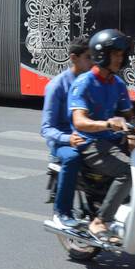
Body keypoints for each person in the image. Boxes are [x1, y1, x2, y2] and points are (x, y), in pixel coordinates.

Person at [68, 29, 135, 243]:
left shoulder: (118, 84)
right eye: (115, 54)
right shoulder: (84, 83)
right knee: (128, 171)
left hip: (113, 141)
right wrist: (107, 123)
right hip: (91, 143)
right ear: (101, 54)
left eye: (121, 54)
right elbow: (79, 121)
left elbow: (130, 117)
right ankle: (101, 221)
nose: (120, 58)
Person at [41, 36, 92, 232]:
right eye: (89, 58)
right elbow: (46, 129)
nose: (93, 62)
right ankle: (62, 212)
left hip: (88, 135)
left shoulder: (92, 82)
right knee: (72, 158)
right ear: (74, 58)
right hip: (63, 142)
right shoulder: (57, 86)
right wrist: (68, 138)